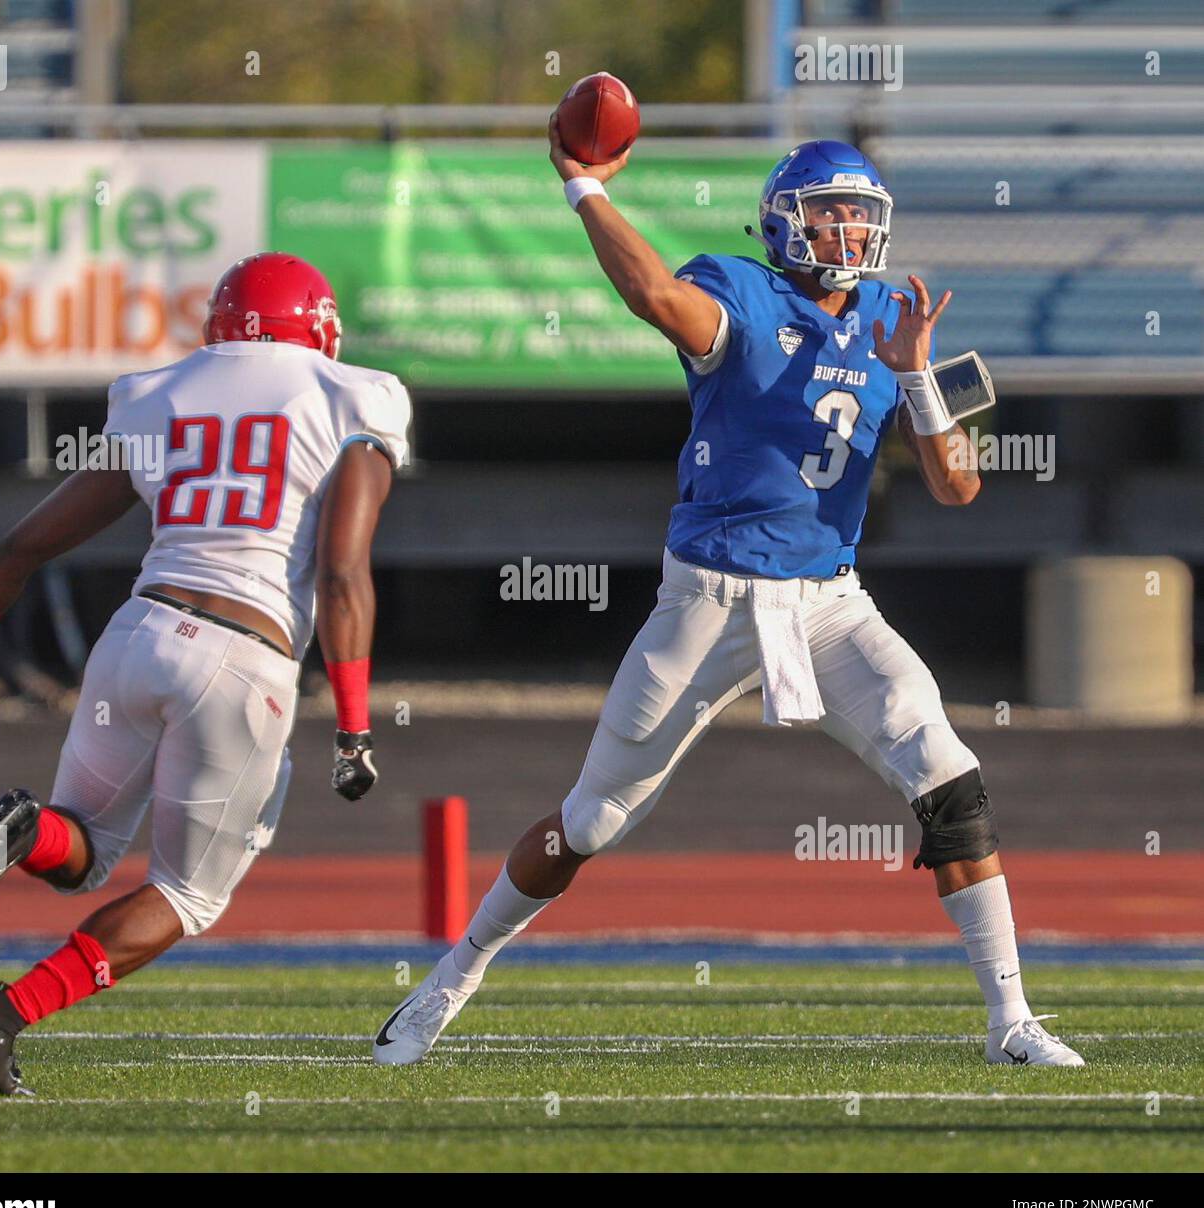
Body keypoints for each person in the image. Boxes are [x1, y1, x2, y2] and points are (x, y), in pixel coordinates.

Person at [372, 136, 1083, 1070]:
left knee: (949, 775)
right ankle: (444, 986)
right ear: (788, 216)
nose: (850, 228)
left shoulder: (889, 317)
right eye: (831, 209)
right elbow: (654, 298)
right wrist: (583, 185)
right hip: (709, 595)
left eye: (862, 212)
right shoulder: (741, 290)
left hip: (832, 601)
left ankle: (1011, 1022)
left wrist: (914, 373)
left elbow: (958, 489)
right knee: (589, 821)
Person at [0, 252, 410, 1095]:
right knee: (185, 897)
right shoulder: (354, 396)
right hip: (245, 657)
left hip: (137, 634)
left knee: (81, 851)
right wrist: (356, 726)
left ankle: (28, 832)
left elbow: (20, 547)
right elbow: (341, 576)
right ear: (318, 327)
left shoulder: (160, 392)